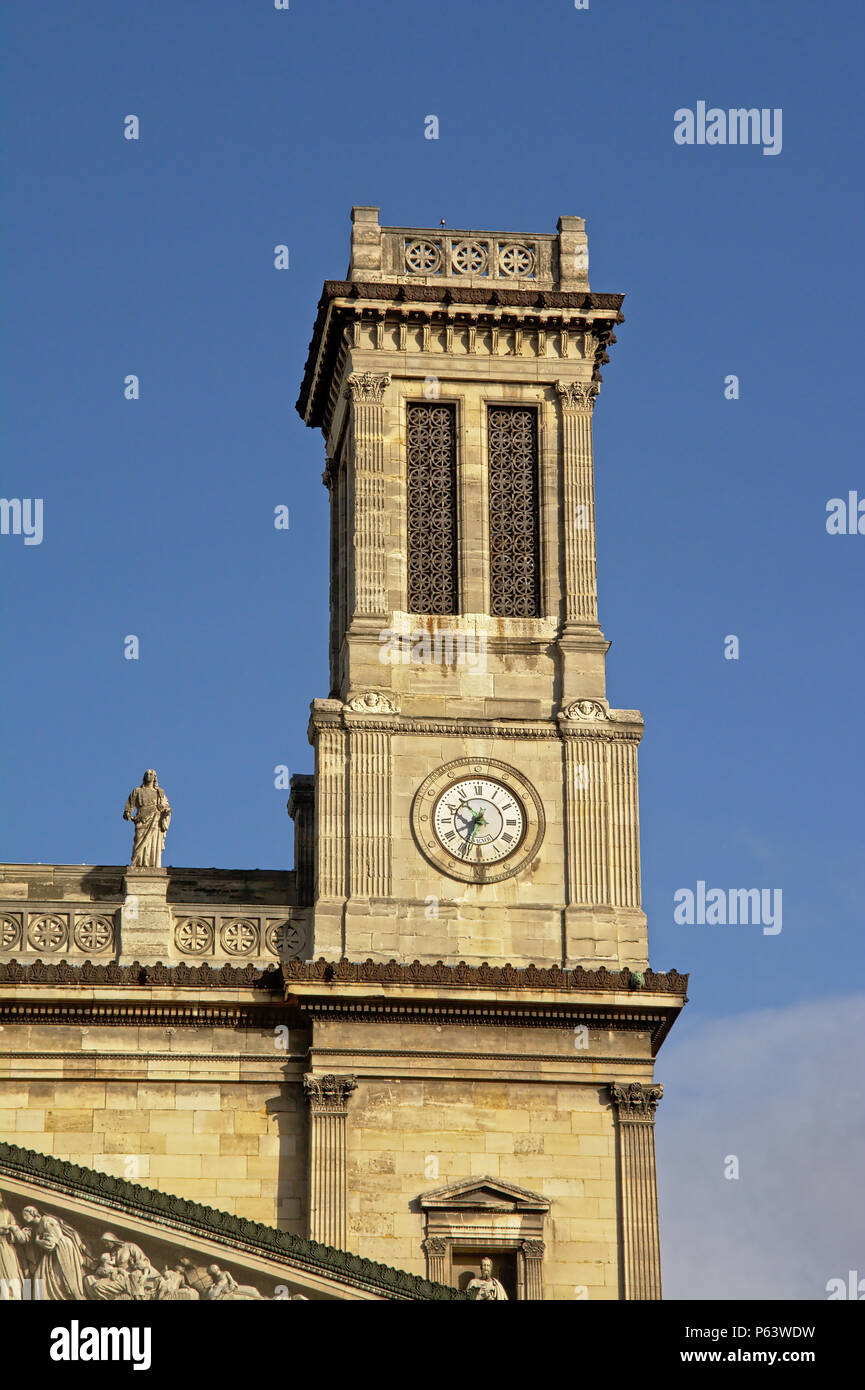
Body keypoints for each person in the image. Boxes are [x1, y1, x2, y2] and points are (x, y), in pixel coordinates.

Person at [19, 1206, 88, 1300]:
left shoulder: (47, 1222)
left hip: (61, 1251)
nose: (23, 1217)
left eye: (25, 1214)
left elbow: (51, 1244)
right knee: (39, 1277)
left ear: (32, 1213)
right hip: (52, 1255)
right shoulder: (37, 1227)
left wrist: (38, 1241)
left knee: (67, 1282)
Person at [123, 770, 171, 868]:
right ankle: (138, 863)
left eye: (151, 774)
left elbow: (166, 806)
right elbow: (129, 806)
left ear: (154, 777)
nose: (148, 776)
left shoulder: (160, 792)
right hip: (141, 820)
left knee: (153, 844)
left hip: (155, 820)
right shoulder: (137, 791)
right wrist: (128, 813)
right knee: (139, 843)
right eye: (147, 774)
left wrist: (165, 811)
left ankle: (152, 864)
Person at [0, 1193, 28, 1299]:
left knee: (11, 1278)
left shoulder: (7, 1213)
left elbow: (18, 1236)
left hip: (6, 1248)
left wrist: (12, 1228)